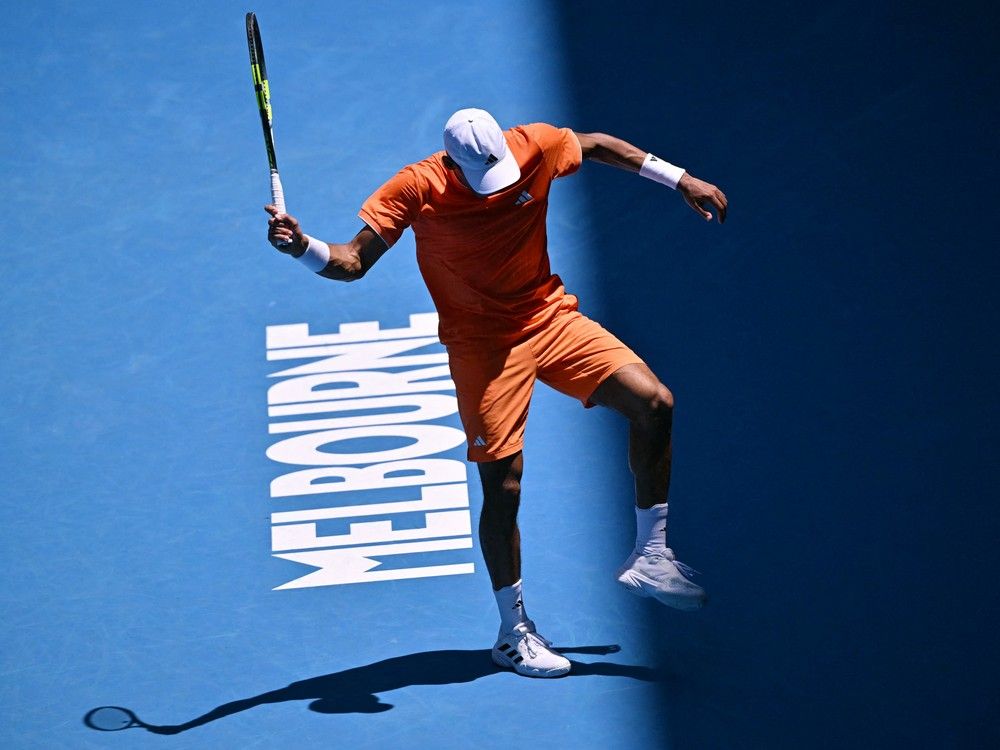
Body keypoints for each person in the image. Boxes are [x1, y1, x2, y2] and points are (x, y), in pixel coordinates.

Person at [265, 108, 727, 679]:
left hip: (549, 318)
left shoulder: (534, 146)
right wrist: (301, 245)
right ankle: (513, 633)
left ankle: (651, 554)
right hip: (482, 346)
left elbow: (603, 144)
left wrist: (679, 177)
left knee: (653, 402)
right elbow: (353, 262)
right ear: (454, 165)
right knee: (503, 485)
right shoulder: (417, 187)